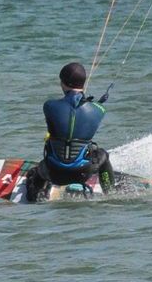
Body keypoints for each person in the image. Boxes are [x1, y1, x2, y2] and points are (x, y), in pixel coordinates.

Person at [25, 61, 114, 200]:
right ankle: (110, 193)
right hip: (83, 173)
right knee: (103, 154)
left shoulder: (49, 105)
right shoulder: (99, 109)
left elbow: (66, 111)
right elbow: (87, 111)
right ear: (83, 83)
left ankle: (35, 195)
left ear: (63, 83)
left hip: (53, 173)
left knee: (41, 169)